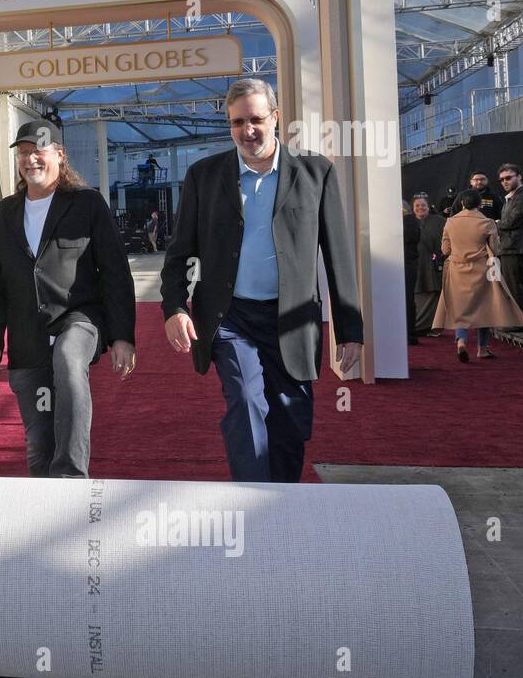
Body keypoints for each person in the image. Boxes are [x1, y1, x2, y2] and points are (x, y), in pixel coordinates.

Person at [160, 78, 363, 484]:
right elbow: (180, 251)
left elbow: (337, 254)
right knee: (246, 399)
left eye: (255, 119)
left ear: (276, 118)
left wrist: (350, 327)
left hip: (293, 319)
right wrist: (175, 307)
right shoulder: (204, 176)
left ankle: (282, 502)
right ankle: (251, 497)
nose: (246, 130)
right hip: (230, 317)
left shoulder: (315, 172)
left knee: (289, 416)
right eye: (237, 122)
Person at [0, 120, 136, 479]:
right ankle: (48, 499)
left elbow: (115, 271)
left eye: (38, 150)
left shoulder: (86, 204)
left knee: (68, 358)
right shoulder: (2, 215)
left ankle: (71, 477)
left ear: (59, 155)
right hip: (26, 337)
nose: (30, 159)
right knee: (39, 448)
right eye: (23, 152)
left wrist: (122, 336)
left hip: (78, 319)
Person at [432, 189, 523, 360]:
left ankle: (461, 341)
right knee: (484, 309)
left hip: (457, 270)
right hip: (483, 270)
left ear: (461, 203)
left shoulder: (451, 222)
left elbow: (445, 249)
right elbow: (496, 249)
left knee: (460, 308)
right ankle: (482, 349)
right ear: (480, 204)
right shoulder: (488, 222)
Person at [495, 163, 523, 333]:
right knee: (514, 286)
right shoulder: (510, 197)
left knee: (517, 286)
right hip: (510, 248)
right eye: (502, 179)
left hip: (517, 248)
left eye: (508, 177)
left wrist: (496, 224)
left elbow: (513, 220)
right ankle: (521, 321)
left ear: (519, 176)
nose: (504, 182)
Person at [411, 194, 445, 336]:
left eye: (423, 205)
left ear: (428, 206)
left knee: (434, 293)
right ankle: (416, 326)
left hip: (433, 263)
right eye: (417, 206)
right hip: (414, 264)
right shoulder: (407, 222)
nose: (420, 208)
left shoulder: (439, 221)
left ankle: (433, 326)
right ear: (413, 208)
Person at [402, 199, 420, 346]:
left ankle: (410, 333)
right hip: (406, 264)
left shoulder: (410, 222)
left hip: (407, 264)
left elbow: (410, 238)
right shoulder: (411, 221)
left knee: (407, 299)